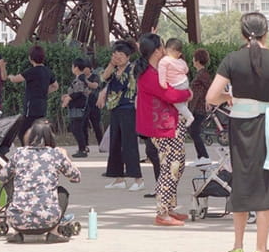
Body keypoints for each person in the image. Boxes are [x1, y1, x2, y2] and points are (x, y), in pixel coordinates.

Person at [206, 11, 269, 252]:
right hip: (268, 121)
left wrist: (229, 98)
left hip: (239, 121)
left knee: (241, 179)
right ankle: (261, 249)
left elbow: (212, 96)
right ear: (267, 31)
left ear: (242, 33)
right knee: (265, 181)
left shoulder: (232, 59)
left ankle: (236, 247)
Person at [136, 32, 192, 226]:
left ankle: (168, 207)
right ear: (157, 50)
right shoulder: (149, 75)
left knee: (176, 165)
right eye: (161, 47)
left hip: (169, 124)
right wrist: (187, 93)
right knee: (171, 167)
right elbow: (171, 95)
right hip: (163, 127)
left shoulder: (154, 71)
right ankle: (162, 211)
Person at [0, 120, 81, 242]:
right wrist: (65, 157)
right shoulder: (55, 154)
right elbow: (76, 178)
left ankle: (17, 232)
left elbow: (2, 177)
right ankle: (53, 232)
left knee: (16, 190)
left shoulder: (19, 153)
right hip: (47, 220)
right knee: (62, 192)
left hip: (17, 220)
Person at [0, 45, 58, 159]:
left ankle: (28, 151)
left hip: (31, 106)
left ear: (30, 58)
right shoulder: (47, 71)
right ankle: (40, 151)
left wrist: (8, 74)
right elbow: (55, 86)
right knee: (40, 129)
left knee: (23, 131)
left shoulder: (32, 71)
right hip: (42, 105)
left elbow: (15, 79)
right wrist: (44, 91)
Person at [99, 40, 143, 190]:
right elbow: (103, 77)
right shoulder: (114, 71)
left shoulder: (133, 68)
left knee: (129, 143)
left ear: (127, 56)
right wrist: (111, 64)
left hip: (129, 108)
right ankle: (118, 178)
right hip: (115, 109)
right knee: (115, 143)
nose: (117, 58)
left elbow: (144, 61)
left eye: (121, 56)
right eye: (115, 55)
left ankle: (138, 179)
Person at [62, 58, 96, 157]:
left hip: (79, 108)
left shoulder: (80, 78)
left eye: (72, 66)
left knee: (76, 128)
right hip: (79, 107)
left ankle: (82, 149)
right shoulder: (80, 78)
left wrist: (69, 97)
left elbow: (79, 92)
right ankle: (83, 147)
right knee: (78, 128)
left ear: (76, 68)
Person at [158, 37, 194, 127]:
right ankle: (184, 113)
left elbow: (162, 80)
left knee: (177, 102)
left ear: (166, 50)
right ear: (179, 53)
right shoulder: (181, 61)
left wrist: (165, 87)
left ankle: (189, 116)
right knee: (183, 102)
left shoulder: (163, 61)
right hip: (185, 82)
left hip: (176, 85)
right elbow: (186, 70)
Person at [187, 49, 212, 160]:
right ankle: (201, 157)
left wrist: (208, 100)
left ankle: (203, 157)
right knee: (193, 131)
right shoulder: (201, 73)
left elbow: (210, 87)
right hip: (195, 107)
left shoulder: (203, 74)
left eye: (193, 58)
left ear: (197, 60)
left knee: (194, 131)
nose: (192, 60)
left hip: (199, 107)